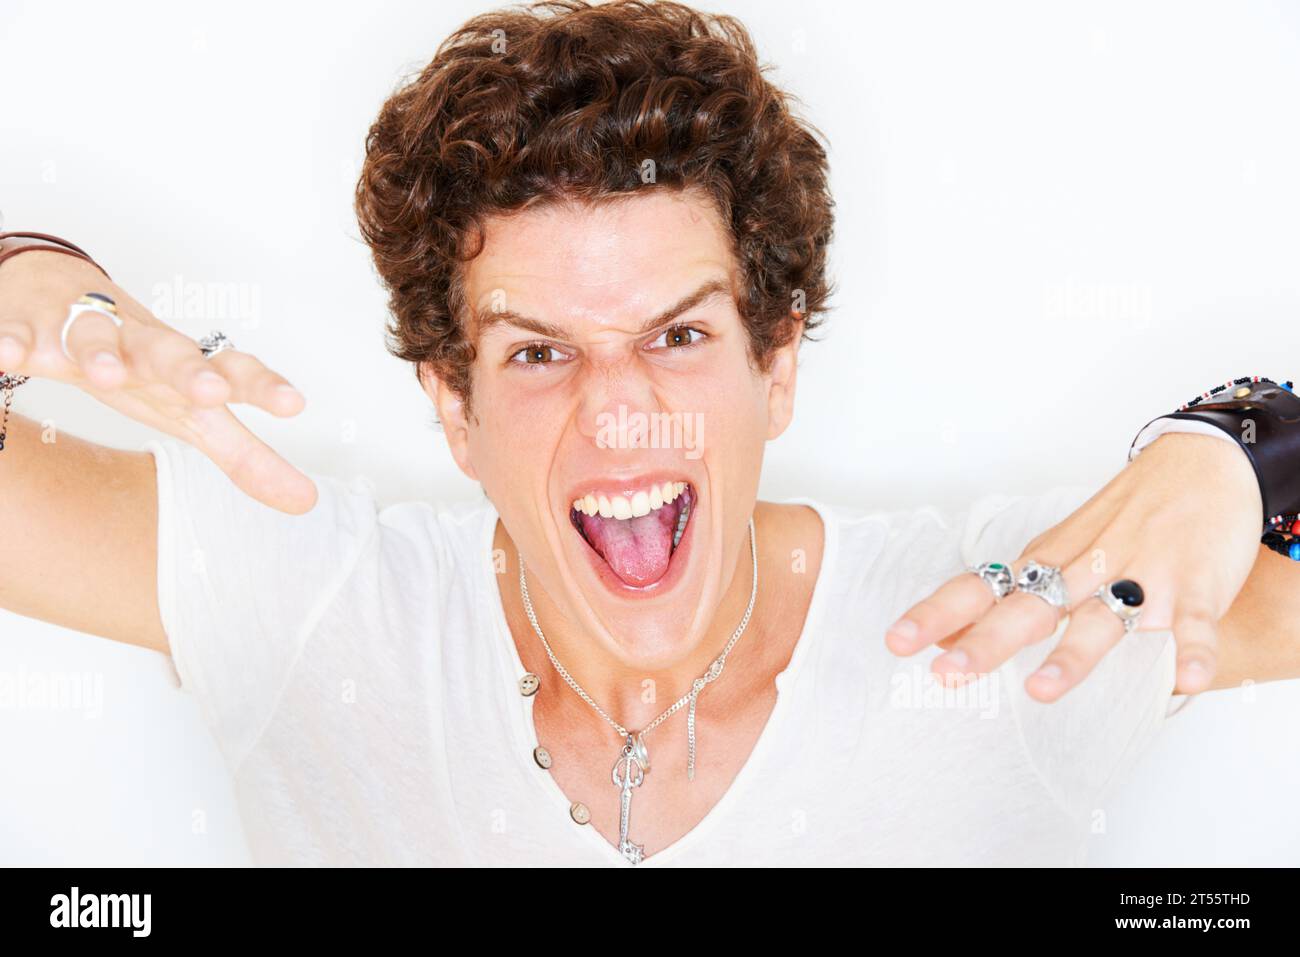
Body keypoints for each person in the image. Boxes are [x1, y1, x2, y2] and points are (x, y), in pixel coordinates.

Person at [0, 0, 1296, 867]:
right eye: (538, 352)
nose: (616, 409)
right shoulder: (319, 605)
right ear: (452, 406)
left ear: (775, 364)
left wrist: (1244, 449)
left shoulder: (1010, 628)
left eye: (677, 335)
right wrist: (23, 279)